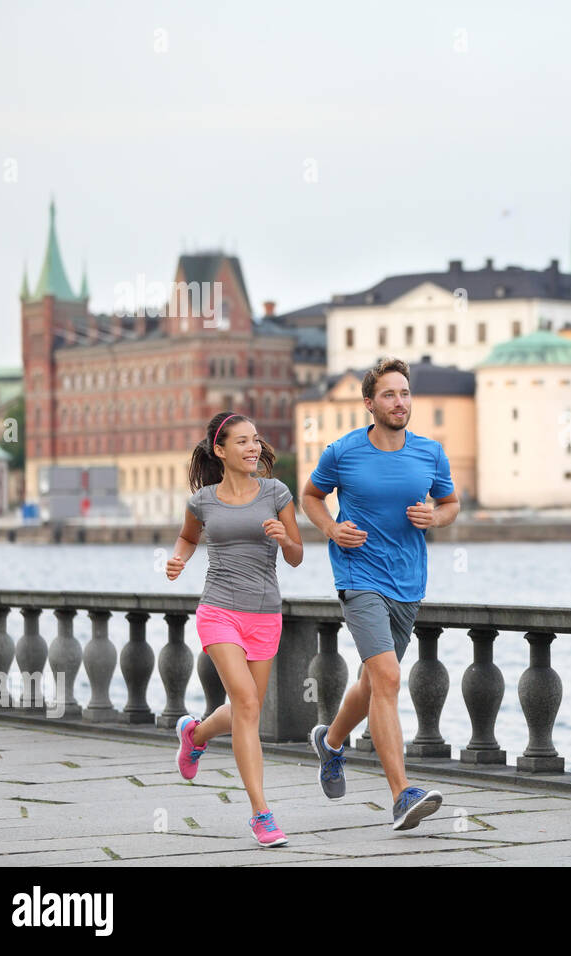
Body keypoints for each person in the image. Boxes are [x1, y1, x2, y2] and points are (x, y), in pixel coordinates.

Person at [301, 356, 459, 832]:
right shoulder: (342, 452)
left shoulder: (430, 453)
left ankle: (330, 744)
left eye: (405, 393)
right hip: (359, 577)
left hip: (408, 582)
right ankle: (401, 794)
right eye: (389, 394)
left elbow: (451, 503)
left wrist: (436, 517)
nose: (399, 402)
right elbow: (310, 496)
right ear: (370, 403)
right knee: (387, 677)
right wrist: (331, 527)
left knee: (373, 682)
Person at [166, 412, 303, 847]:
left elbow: (298, 555)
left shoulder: (277, 492)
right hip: (218, 609)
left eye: (256, 440)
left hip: (265, 614)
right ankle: (261, 814)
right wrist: (178, 559)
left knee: (248, 708)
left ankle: (196, 734)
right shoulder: (203, 501)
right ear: (220, 451)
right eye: (242, 442)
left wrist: (284, 538)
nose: (253, 448)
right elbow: (188, 538)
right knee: (245, 703)